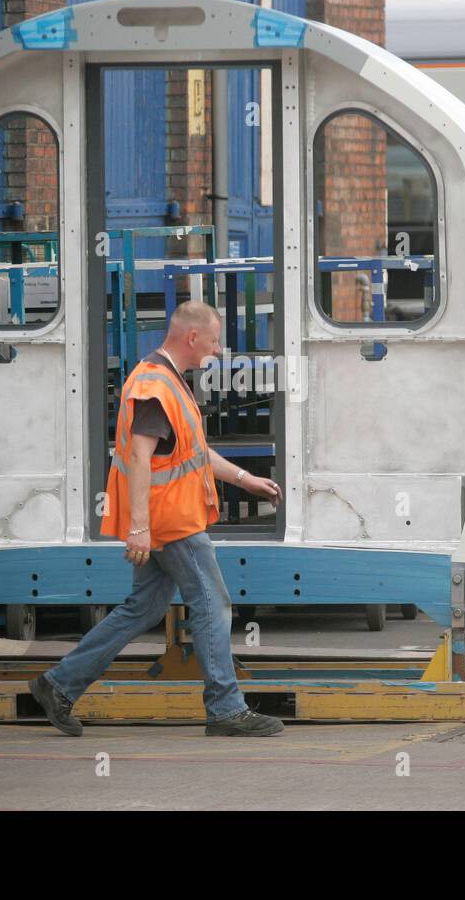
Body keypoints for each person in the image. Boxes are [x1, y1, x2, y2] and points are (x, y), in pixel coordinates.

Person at [29, 301, 285, 737]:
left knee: (143, 608)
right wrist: (140, 529)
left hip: (165, 520)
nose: (218, 350)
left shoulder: (168, 380)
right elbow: (139, 457)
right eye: (214, 340)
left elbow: (194, 453)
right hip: (171, 522)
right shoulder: (154, 386)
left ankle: (58, 685)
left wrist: (245, 480)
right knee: (212, 603)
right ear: (192, 337)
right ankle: (226, 708)